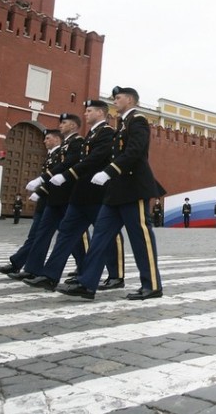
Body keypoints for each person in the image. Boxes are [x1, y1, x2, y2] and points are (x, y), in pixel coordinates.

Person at [58, 85, 166, 301]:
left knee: (140, 237)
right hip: (116, 191)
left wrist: (108, 172)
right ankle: (87, 283)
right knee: (100, 237)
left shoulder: (138, 120)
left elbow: (135, 151)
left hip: (133, 188)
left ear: (130, 100)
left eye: (118, 98)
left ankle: (152, 285)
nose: (114, 101)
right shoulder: (123, 123)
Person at [23, 99, 126, 291]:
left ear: (101, 113)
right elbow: (80, 160)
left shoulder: (107, 133)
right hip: (80, 194)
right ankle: (50, 276)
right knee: (65, 234)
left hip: (98, 194)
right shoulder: (90, 135)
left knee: (109, 236)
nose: (85, 114)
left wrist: (67, 175)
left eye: (89, 111)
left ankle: (116, 275)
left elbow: (95, 159)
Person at [0, 130, 63, 275]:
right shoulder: (51, 156)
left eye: (48, 138)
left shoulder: (60, 155)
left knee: (69, 239)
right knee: (35, 236)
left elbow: (56, 177)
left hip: (55, 201)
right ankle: (20, 265)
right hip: (45, 201)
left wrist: (40, 191)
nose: (44, 141)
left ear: (57, 140)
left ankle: (82, 268)